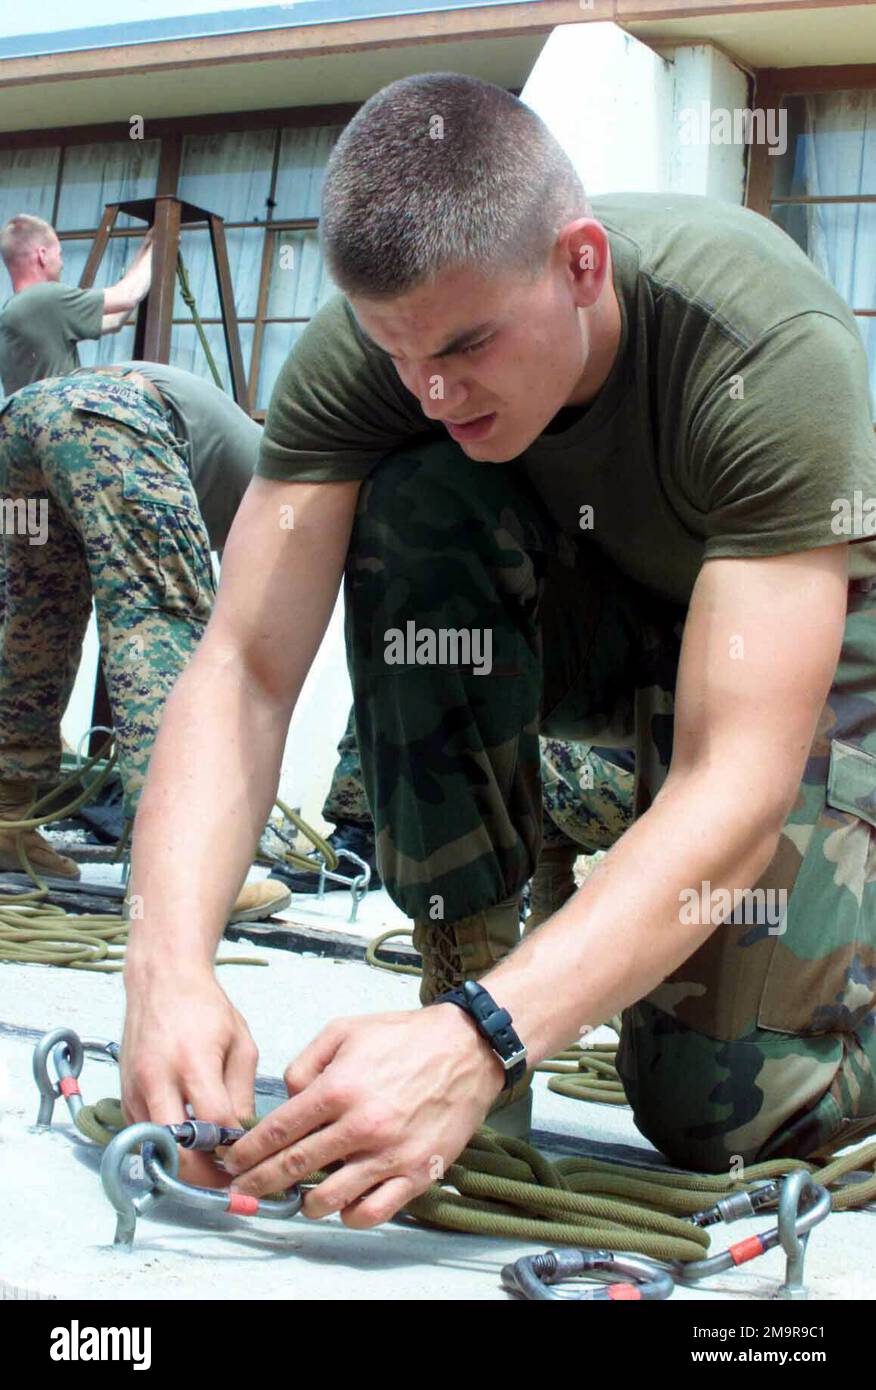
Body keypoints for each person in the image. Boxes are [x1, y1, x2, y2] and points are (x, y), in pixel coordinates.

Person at [122, 73, 876, 1216]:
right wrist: (166, 965)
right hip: (611, 628)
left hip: (810, 659)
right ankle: (463, 1025)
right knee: (418, 501)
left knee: (725, 1112)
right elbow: (244, 669)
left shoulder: (764, 350)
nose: (431, 388)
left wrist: (485, 1038)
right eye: (397, 351)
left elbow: (736, 778)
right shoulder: (387, 348)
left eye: (468, 346)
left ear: (581, 264)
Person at [0, 362, 290, 922]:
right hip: (115, 422)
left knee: (36, 625)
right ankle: (181, 873)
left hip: (20, 424)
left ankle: (6, 818)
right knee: (165, 627)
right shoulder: (289, 490)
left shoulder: (247, 455)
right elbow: (241, 628)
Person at [0, 214, 154, 395]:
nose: (62, 264)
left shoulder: (17, 311)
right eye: (59, 254)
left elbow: (115, 320)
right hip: (56, 418)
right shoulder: (45, 298)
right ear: (42, 255)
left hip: (26, 420)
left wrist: (146, 248)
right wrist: (159, 247)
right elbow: (128, 296)